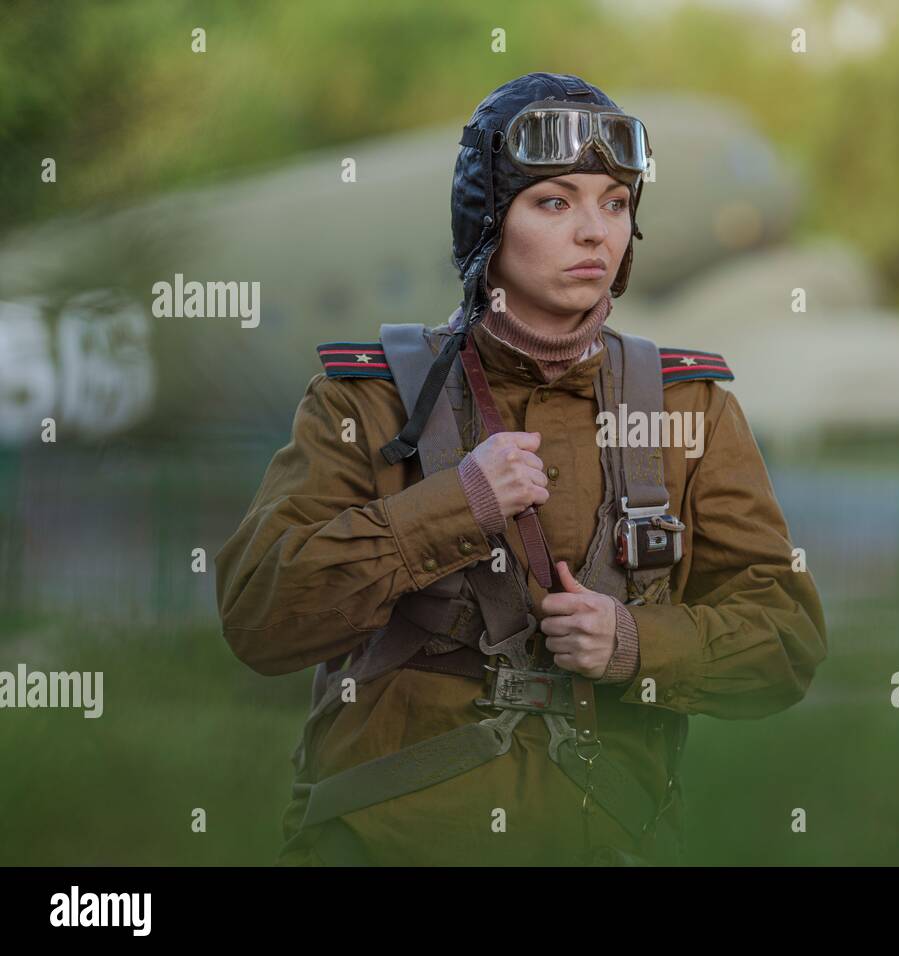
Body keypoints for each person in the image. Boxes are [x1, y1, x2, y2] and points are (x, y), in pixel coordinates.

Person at [215, 72, 828, 866]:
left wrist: (639, 644)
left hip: (604, 838)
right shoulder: (364, 398)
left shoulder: (691, 407)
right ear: (487, 223)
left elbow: (785, 644)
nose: (594, 233)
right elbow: (260, 617)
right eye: (554, 202)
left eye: (615, 202)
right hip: (387, 842)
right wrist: (452, 506)